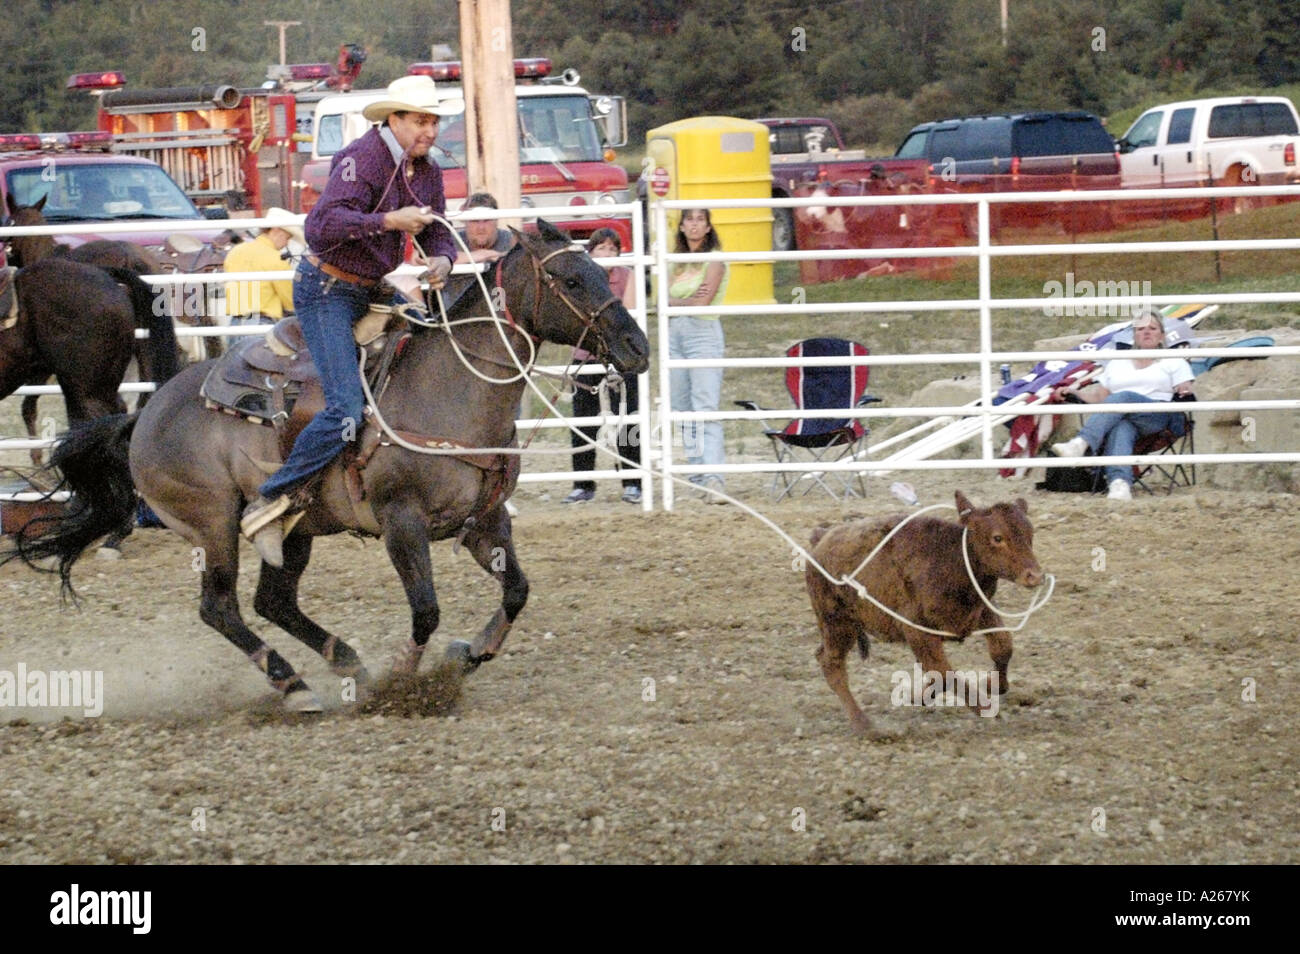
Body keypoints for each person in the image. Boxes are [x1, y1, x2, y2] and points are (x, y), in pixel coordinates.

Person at [240, 75, 463, 566]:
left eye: (433, 121)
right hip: (327, 290)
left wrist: (442, 261)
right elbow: (321, 227)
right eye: (421, 121)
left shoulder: (426, 170)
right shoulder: (361, 159)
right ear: (396, 119)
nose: (430, 130)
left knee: (437, 354)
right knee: (344, 408)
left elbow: (441, 230)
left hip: (370, 287)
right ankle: (272, 497)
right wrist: (387, 222)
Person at [1050, 309, 1194, 500]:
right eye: (1141, 329)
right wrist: (1074, 393)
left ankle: (1081, 442)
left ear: (1162, 335)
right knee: (1121, 426)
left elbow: (1185, 391)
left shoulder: (1173, 361)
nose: (1146, 332)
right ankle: (1120, 484)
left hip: (1157, 416)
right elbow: (1100, 397)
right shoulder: (1118, 362)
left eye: (1152, 328)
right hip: (1120, 416)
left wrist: (1185, 391)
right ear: (1134, 334)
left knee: (1124, 396)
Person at [564, 227, 641, 503]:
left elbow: (628, 316)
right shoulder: (580, 279)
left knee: (628, 419)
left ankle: (633, 481)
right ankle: (583, 484)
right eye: (601, 248)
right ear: (591, 252)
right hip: (586, 355)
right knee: (583, 421)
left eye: (612, 249)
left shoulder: (626, 276)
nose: (607, 254)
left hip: (619, 356)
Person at [667, 208, 729, 501]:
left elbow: (703, 302)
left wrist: (681, 300)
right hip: (674, 332)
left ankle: (714, 476)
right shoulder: (675, 263)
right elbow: (659, 299)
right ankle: (698, 475)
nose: (694, 225)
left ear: (707, 227)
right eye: (689, 219)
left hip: (702, 333)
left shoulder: (714, 259)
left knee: (704, 404)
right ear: (681, 226)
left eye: (699, 220)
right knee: (682, 407)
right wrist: (687, 300)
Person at [222, 207, 304, 325]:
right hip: (262, 322)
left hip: (235, 322)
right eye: (287, 237)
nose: (286, 243)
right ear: (276, 231)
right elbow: (289, 302)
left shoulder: (236, 251)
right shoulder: (276, 259)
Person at [442, 191, 516, 307]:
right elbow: (426, 258)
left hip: (498, 314)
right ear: (465, 222)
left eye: (486, 220)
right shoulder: (452, 241)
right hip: (456, 315)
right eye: (474, 221)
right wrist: (485, 254)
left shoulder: (510, 241)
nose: (481, 228)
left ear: (496, 221)